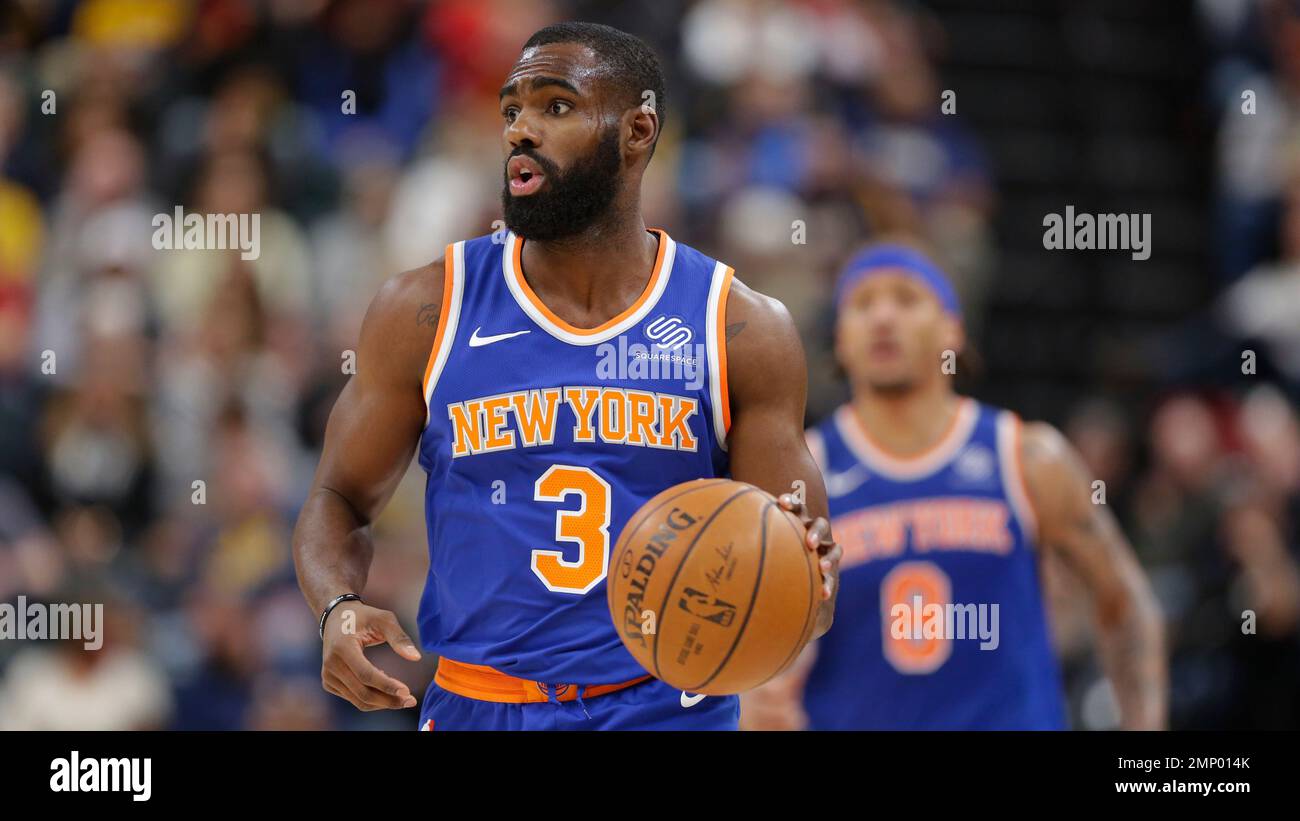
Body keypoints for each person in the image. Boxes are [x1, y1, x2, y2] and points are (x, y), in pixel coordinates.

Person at [292, 22, 841, 731]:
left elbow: (808, 589)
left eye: (556, 107)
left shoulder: (738, 328)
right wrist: (336, 606)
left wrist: (807, 579)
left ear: (637, 132)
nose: (521, 130)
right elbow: (337, 496)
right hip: (479, 705)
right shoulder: (426, 308)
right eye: (512, 110)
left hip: (666, 709)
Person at [742, 243, 1166, 730]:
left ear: (953, 330)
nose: (882, 317)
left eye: (905, 299)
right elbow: (754, 636)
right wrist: (752, 695)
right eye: (862, 304)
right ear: (840, 339)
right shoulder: (802, 472)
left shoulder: (1026, 457)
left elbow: (1124, 598)